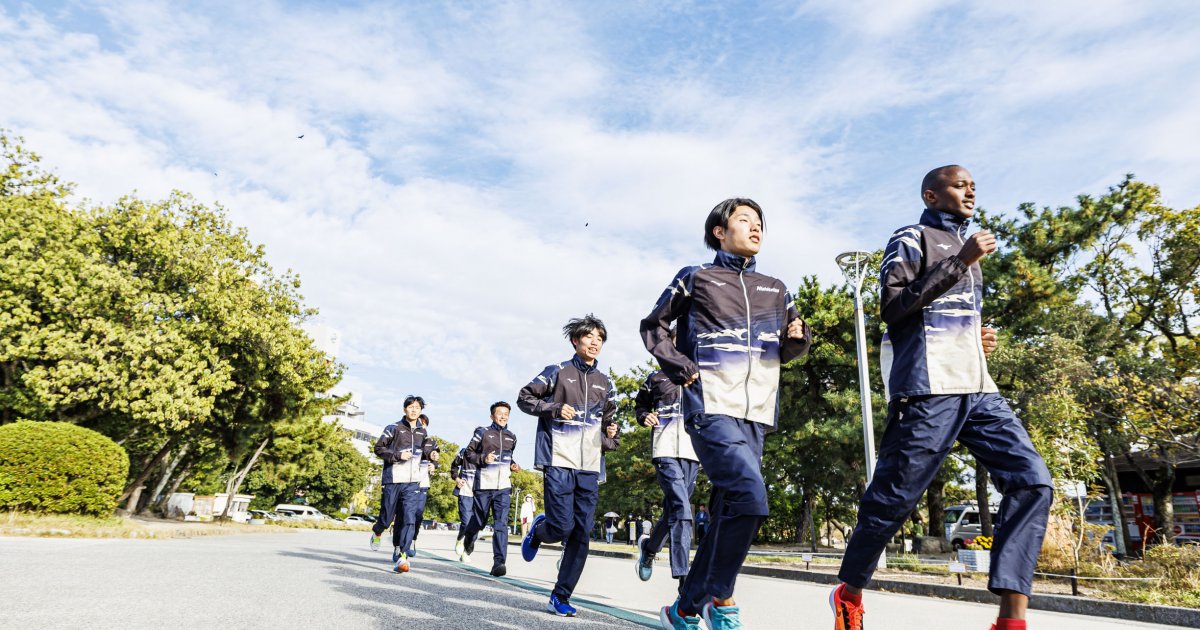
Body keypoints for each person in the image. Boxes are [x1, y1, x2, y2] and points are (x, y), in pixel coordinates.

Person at [830, 166, 1052, 630]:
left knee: (1033, 482)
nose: (970, 191)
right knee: (893, 499)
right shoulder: (912, 237)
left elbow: (942, 316)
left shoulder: (968, 249)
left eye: (973, 186)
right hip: (928, 386)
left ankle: (1011, 620)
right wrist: (961, 262)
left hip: (979, 388)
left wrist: (976, 338)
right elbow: (893, 307)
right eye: (959, 185)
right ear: (931, 195)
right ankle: (848, 591)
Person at [642, 198, 812, 630]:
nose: (756, 228)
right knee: (751, 499)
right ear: (719, 231)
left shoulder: (776, 288)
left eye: (760, 223)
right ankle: (722, 599)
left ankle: (684, 609)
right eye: (744, 220)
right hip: (710, 405)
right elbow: (653, 326)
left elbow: (789, 347)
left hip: (756, 413)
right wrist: (680, 366)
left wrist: (798, 337)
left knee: (728, 512)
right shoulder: (696, 277)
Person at [518, 314, 621, 617]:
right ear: (575, 340)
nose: (595, 342)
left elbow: (610, 426)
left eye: (600, 338)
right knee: (562, 526)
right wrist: (553, 408)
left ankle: (560, 596)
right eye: (589, 336)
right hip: (559, 459)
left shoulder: (607, 383)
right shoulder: (557, 371)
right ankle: (539, 531)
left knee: (582, 532)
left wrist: (611, 435)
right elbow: (524, 397)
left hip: (590, 465)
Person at [633, 327, 700, 592]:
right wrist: (644, 416)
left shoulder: (703, 375)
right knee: (683, 510)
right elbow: (640, 405)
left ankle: (649, 549)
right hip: (665, 450)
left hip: (693, 453)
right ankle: (685, 584)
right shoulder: (656, 378)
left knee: (674, 510)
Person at [369, 395, 438, 573]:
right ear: (404, 409)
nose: (414, 410)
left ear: (421, 411)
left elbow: (426, 450)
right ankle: (377, 531)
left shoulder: (422, 432)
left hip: (413, 482)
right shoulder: (393, 428)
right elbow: (378, 448)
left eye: (417, 407)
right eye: (411, 407)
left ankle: (403, 557)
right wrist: (398, 456)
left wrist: (432, 456)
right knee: (386, 519)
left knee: (409, 518)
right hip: (393, 479)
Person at [461, 401, 522, 577]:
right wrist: (483, 459)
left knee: (501, 524)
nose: (503, 416)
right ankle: (468, 541)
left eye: (506, 414)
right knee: (479, 522)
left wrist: (513, 465)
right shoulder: (482, 432)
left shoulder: (512, 436)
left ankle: (499, 563)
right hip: (484, 485)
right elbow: (468, 453)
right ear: (492, 416)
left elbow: (508, 457)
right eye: (499, 413)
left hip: (503, 487)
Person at [404, 413, 439, 558]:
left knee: (418, 515)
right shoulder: (407, 439)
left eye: (423, 424)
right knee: (405, 515)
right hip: (406, 482)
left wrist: (434, 464)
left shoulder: (431, 442)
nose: (420, 426)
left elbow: (434, 456)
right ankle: (399, 545)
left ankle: (412, 540)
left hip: (422, 484)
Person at [450, 446, 477, 562]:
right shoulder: (464, 452)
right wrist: (457, 479)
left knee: (475, 525)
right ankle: (460, 538)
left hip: (481, 496)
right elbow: (454, 466)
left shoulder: (489, 454)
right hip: (465, 492)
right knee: (466, 522)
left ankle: (467, 552)